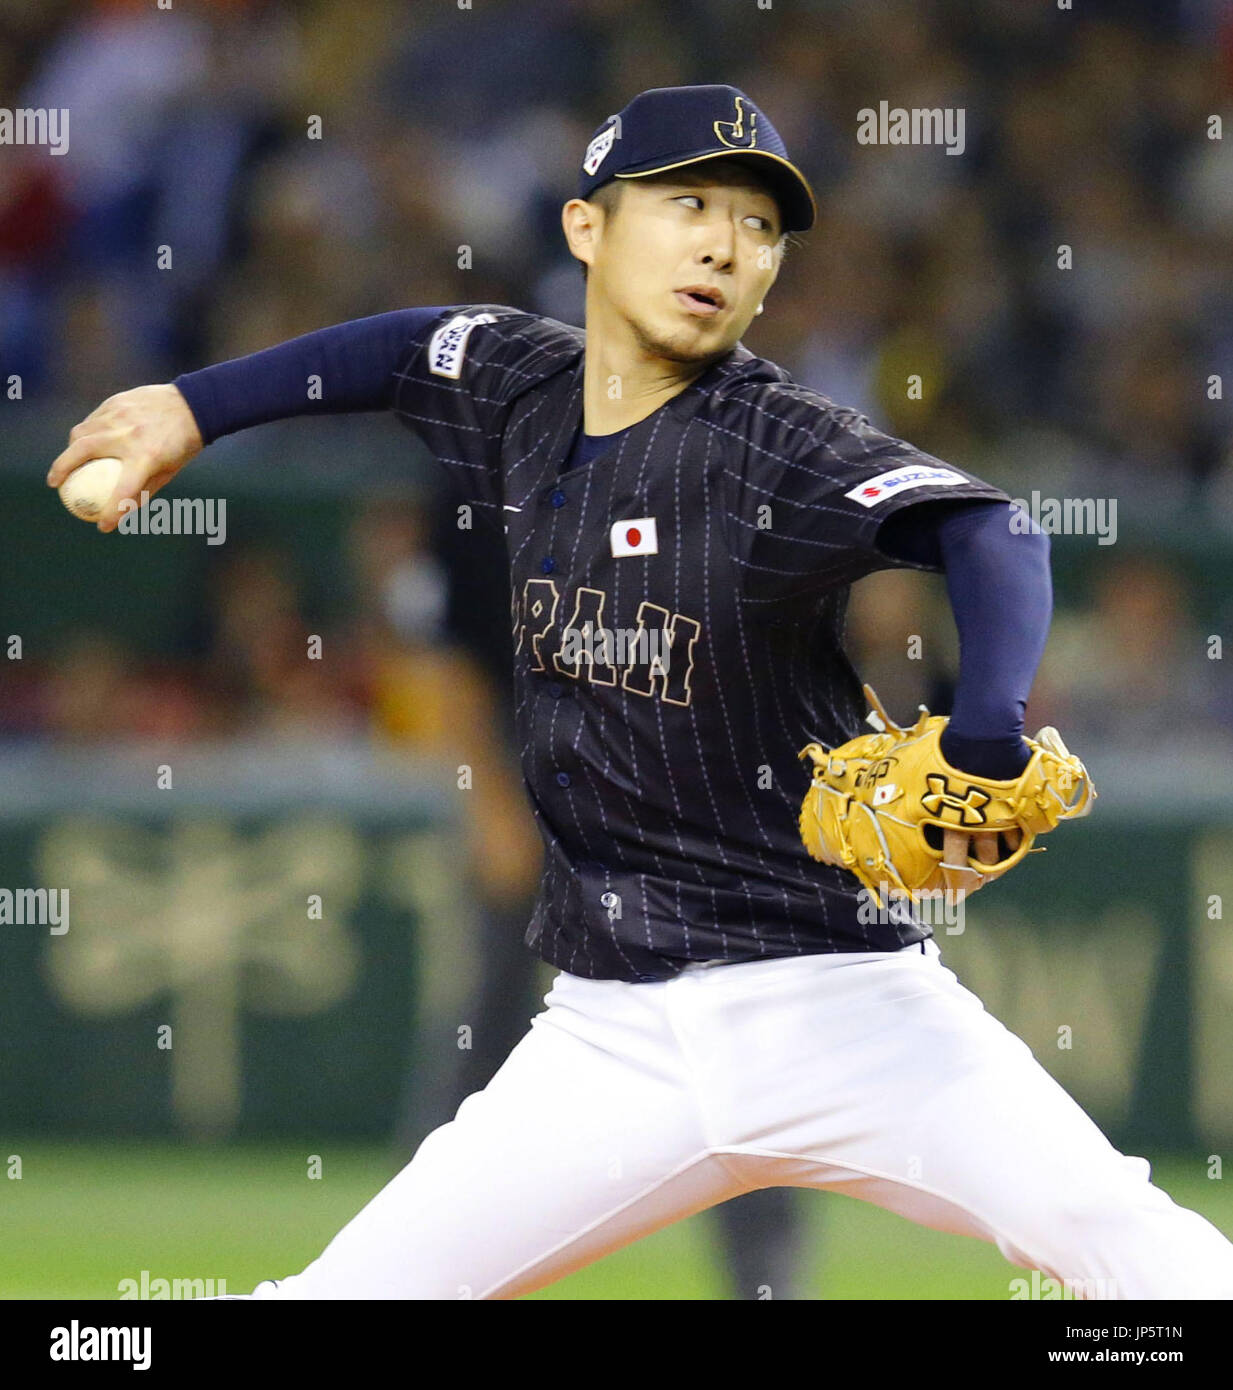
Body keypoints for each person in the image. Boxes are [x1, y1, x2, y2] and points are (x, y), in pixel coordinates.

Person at [49, 85, 1233, 1300]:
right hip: (610, 1040)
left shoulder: (784, 446)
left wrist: (987, 741)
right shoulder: (515, 382)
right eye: (687, 205)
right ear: (587, 230)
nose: (726, 242)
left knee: (1125, 1244)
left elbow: (996, 536)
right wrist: (190, 406)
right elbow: (400, 348)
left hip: (844, 1004)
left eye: (760, 226)